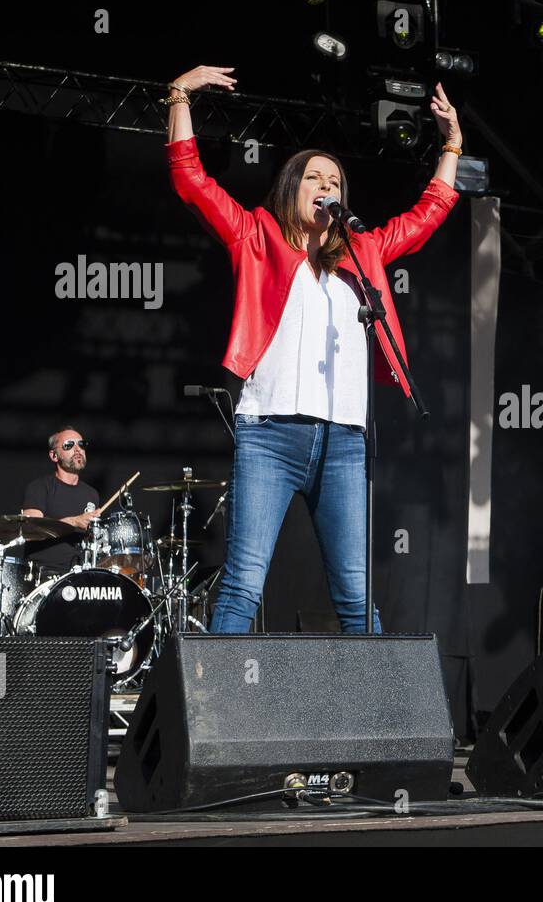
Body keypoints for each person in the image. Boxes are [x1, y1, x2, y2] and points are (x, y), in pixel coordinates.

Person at [164, 65, 462, 634]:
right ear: (291, 188)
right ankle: (217, 720)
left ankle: (382, 720)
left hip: (345, 440)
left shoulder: (365, 252)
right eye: (314, 179)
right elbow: (191, 181)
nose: (326, 187)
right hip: (270, 434)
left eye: (335, 182)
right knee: (243, 585)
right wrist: (180, 93)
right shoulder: (256, 236)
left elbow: (429, 213)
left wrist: (451, 144)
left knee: (356, 595)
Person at [20, 425, 100, 573]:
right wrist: (74, 522)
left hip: (80, 576)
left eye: (81, 444)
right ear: (54, 456)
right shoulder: (40, 487)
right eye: (69, 445)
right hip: (44, 576)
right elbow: (29, 532)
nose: (77, 449)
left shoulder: (91, 494)